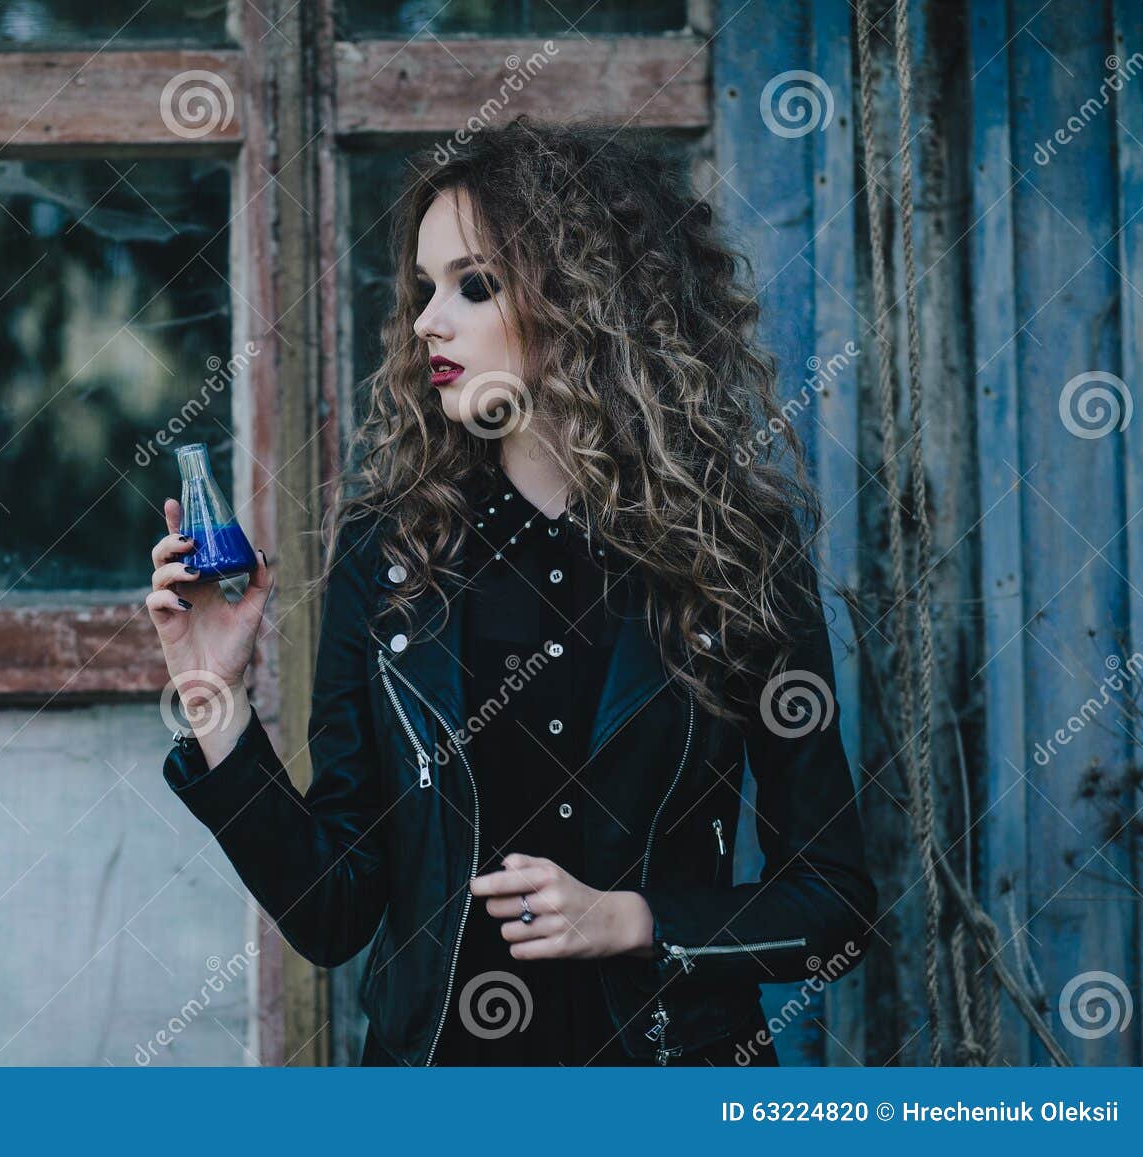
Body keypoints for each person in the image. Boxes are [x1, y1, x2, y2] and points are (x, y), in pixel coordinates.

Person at [145, 116, 877, 1067]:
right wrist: (215, 698)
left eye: (473, 285)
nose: (427, 321)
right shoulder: (390, 552)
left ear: (584, 302)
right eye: (424, 288)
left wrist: (634, 919)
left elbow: (833, 904)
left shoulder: (733, 547)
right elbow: (332, 912)